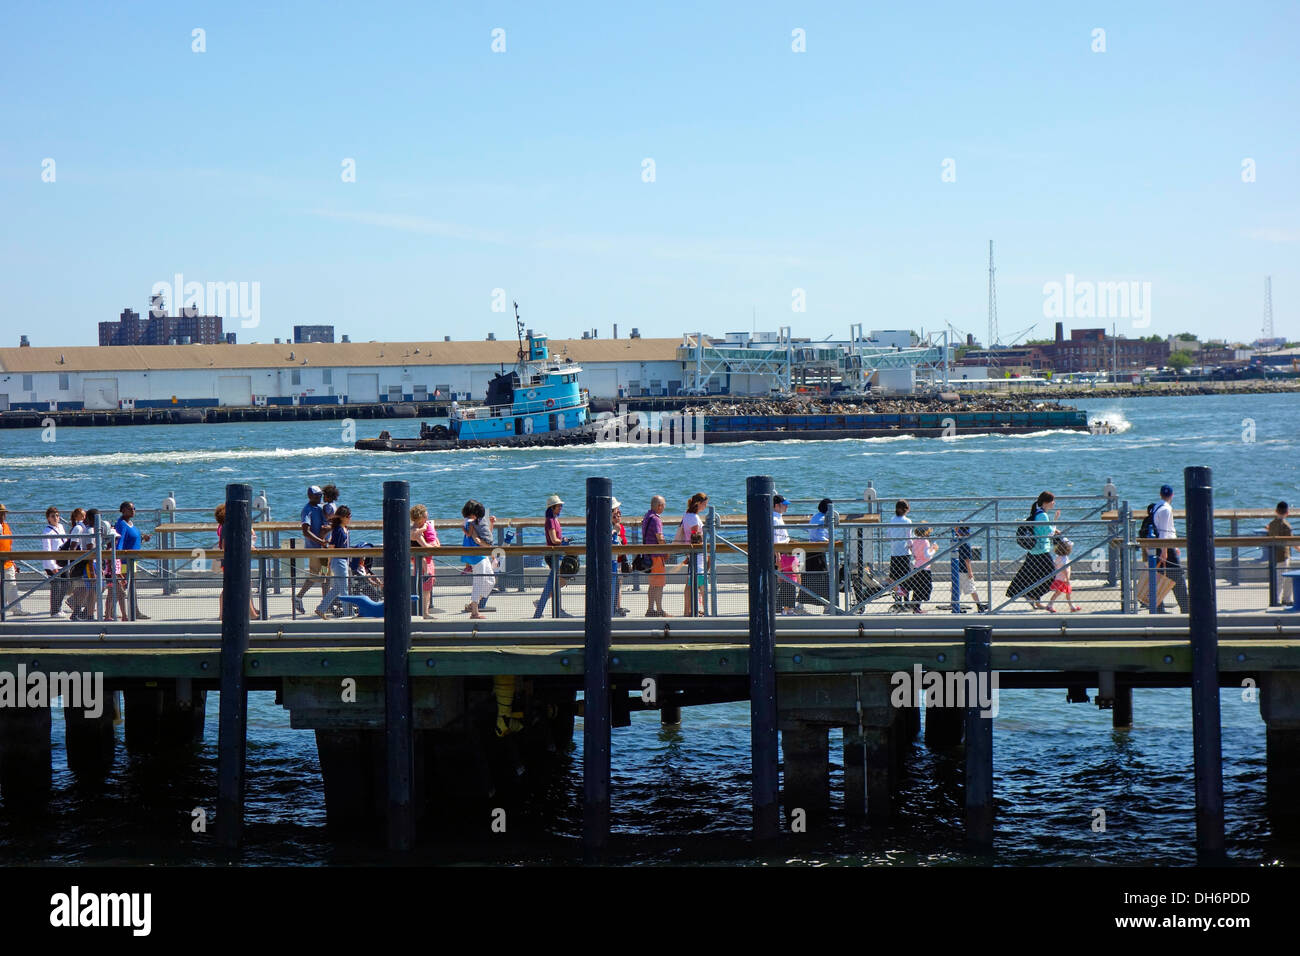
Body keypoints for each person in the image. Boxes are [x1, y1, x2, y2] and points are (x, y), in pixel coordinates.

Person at [1006, 491, 1057, 609]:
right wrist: (1055, 524)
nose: (1054, 503)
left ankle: (1034, 598)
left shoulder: (1037, 513)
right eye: (1052, 501)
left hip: (1034, 550)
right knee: (1051, 575)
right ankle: (1033, 595)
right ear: (1046, 502)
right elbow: (1049, 533)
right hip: (1041, 550)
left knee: (1033, 575)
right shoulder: (1043, 515)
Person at [215, 503, 260, 620]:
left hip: (233, 560)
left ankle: (223, 615)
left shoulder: (227, 525)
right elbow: (225, 545)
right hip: (232, 561)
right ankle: (252, 614)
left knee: (237, 586)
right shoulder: (226, 526)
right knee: (241, 586)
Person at [534, 494, 574, 618]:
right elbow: (553, 539)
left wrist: (563, 540)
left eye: (561, 506)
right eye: (559, 506)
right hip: (553, 555)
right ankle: (552, 608)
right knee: (559, 581)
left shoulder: (555, 519)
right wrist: (563, 540)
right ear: (552, 507)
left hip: (557, 554)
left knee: (558, 582)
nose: (561, 507)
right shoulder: (551, 521)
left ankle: (544, 605)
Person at [1152, 484, 1190, 613]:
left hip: (1162, 546)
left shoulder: (1157, 506)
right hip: (1165, 548)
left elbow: (1166, 529)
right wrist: (1165, 551)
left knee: (1159, 578)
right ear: (1172, 495)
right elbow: (1164, 532)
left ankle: (1158, 608)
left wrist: (1174, 545)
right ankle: (1186, 608)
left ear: (1160, 494)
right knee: (1177, 577)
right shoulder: (1167, 509)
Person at [113, 501, 153, 620]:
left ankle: (132, 611)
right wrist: (117, 561)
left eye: (134, 508)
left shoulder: (130, 523)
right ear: (123, 510)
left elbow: (132, 541)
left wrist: (143, 539)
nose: (133, 510)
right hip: (125, 562)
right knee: (124, 588)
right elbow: (119, 542)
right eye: (130, 509)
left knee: (128, 588)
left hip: (132, 561)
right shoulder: (122, 524)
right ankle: (133, 612)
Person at [293, 486, 328, 614]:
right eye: (317, 495)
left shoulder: (320, 508)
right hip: (315, 550)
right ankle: (298, 597)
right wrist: (320, 541)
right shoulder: (307, 510)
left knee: (325, 574)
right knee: (315, 575)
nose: (320, 497)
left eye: (320, 495)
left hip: (324, 550)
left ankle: (325, 603)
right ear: (310, 496)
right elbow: (305, 531)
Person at [315, 505, 352, 619]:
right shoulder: (337, 530)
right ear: (343, 517)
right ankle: (348, 614)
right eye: (348, 516)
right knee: (344, 589)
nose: (350, 518)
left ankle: (321, 609)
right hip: (338, 561)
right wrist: (325, 567)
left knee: (336, 588)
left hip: (343, 561)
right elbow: (331, 548)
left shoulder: (345, 529)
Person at [461, 500, 496, 615]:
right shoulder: (471, 522)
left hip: (481, 554)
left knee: (491, 581)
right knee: (478, 582)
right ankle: (474, 612)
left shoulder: (472, 522)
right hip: (477, 555)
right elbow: (477, 539)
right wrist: (489, 547)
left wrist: (491, 524)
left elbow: (485, 535)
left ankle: (473, 604)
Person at [677, 493, 709, 616]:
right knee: (701, 583)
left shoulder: (687, 515)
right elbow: (695, 536)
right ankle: (704, 610)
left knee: (690, 583)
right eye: (704, 504)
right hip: (697, 554)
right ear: (699, 504)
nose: (705, 507)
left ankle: (688, 610)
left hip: (692, 553)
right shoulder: (694, 518)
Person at [410, 504, 441, 618]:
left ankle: (424, 612)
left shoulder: (418, 529)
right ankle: (424, 612)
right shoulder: (416, 531)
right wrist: (434, 544)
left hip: (423, 560)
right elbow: (425, 546)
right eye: (425, 516)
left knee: (426, 589)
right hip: (421, 561)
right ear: (420, 517)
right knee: (424, 589)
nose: (427, 518)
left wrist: (435, 542)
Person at [641, 495, 670, 617]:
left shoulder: (647, 517)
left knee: (653, 584)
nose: (664, 507)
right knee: (659, 584)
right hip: (657, 556)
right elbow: (660, 537)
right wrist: (666, 551)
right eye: (663, 505)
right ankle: (659, 610)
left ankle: (650, 609)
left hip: (648, 554)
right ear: (659, 506)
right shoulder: (656, 519)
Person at [0, 503, 28, 617]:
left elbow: (8, 544)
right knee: (4, 587)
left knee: (11, 585)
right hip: (1, 561)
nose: (3, 516)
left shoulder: (6, 526)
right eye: (1, 513)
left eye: (4, 513)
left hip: (7, 561)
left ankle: (16, 608)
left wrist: (12, 560)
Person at [806, 498, 833, 612]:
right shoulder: (823, 519)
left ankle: (800, 605)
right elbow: (821, 537)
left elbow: (809, 530)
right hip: (818, 551)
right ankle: (827, 606)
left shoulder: (815, 516)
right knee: (823, 578)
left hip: (810, 549)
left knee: (808, 578)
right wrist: (831, 541)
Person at [41, 506, 69, 617]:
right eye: (53, 516)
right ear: (48, 518)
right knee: (56, 586)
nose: (56, 518)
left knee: (66, 584)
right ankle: (54, 610)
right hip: (52, 563)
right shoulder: (47, 532)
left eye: (57, 515)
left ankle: (59, 607)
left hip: (62, 561)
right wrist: (52, 566)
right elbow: (47, 550)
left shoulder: (61, 527)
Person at [1267, 501, 1296, 606]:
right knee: (1283, 578)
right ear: (1287, 513)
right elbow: (1292, 541)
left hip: (1273, 555)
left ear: (1276, 511)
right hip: (1283, 555)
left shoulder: (1271, 524)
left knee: (1281, 578)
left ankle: (1282, 599)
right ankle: (1280, 600)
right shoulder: (1286, 526)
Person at [887, 500, 914, 611]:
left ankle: (897, 600)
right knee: (906, 577)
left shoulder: (892, 520)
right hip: (904, 552)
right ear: (905, 509)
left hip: (894, 552)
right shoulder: (908, 521)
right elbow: (909, 538)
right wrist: (912, 547)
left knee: (895, 577)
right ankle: (906, 601)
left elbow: (888, 535)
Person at [954, 526, 986, 613]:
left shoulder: (956, 541)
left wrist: (957, 529)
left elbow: (956, 530)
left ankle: (955, 606)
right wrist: (970, 571)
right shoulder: (966, 544)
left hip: (956, 568)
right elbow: (967, 560)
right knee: (972, 588)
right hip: (964, 570)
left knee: (956, 589)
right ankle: (979, 605)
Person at [1045, 536, 1083, 613]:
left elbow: (1056, 566)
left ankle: (1070, 606)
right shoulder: (1064, 558)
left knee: (1061, 593)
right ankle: (1051, 605)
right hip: (1063, 579)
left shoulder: (1058, 557)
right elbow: (1065, 570)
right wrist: (1067, 579)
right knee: (1065, 593)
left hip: (1059, 578)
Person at [908, 525, 936, 613]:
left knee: (918, 588)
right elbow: (927, 555)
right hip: (925, 568)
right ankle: (916, 607)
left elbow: (916, 554)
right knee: (927, 587)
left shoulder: (915, 541)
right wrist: (934, 550)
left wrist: (930, 549)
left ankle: (916, 607)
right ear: (925, 533)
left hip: (917, 567)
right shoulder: (925, 541)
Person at [611, 499, 630, 617]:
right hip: (613, 560)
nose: (618, 515)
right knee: (615, 584)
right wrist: (615, 531)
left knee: (619, 584)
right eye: (616, 512)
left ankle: (618, 606)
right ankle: (614, 607)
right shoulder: (613, 527)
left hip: (619, 559)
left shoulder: (620, 527)